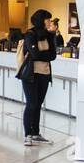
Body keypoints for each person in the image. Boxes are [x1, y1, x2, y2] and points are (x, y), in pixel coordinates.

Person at [18, 9, 57, 146]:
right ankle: (28, 134)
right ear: (41, 20)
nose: (50, 22)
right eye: (48, 19)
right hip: (30, 74)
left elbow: (53, 55)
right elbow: (34, 54)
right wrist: (44, 55)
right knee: (31, 103)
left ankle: (35, 133)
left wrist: (52, 35)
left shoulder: (48, 35)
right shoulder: (30, 34)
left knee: (38, 104)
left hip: (44, 74)